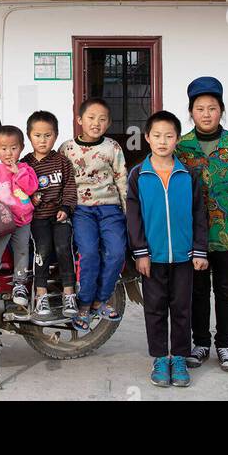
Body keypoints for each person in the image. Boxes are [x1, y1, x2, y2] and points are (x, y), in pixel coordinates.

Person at [176, 75, 228, 374]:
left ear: (221, 110)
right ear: (191, 112)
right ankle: (200, 343)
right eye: (200, 109)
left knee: (226, 291)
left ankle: (225, 345)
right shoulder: (181, 147)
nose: (206, 114)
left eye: (212, 108)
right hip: (194, 235)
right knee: (197, 292)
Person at [126, 111, 208, 389]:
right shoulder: (138, 174)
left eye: (169, 136)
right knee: (155, 309)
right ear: (147, 138)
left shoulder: (188, 175)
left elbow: (199, 214)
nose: (163, 141)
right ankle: (161, 358)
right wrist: (140, 252)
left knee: (182, 308)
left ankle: (180, 358)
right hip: (152, 257)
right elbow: (133, 217)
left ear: (177, 139)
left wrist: (199, 250)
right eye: (157, 136)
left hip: (184, 257)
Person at [62, 98, 128, 330]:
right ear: (79, 120)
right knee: (89, 253)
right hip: (81, 210)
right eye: (91, 118)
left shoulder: (113, 147)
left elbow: (121, 179)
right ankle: (84, 303)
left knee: (117, 252)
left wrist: (128, 212)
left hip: (110, 209)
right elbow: (62, 182)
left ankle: (101, 299)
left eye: (102, 119)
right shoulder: (67, 148)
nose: (96, 123)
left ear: (108, 123)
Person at [21, 110, 79, 322]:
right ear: (29, 136)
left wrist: (66, 207)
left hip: (59, 215)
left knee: (64, 248)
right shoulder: (25, 164)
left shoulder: (62, 162)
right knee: (42, 250)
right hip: (38, 218)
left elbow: (70, 187)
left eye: (48, 135)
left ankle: (69, 294)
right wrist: (30, 199)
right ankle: (41, 295)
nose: (42, 140)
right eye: (37, 135)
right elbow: (18, 191)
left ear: (56, 135)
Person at [0, 126, 39, 308]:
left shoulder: (25, 169)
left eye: (13, 148)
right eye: (3, 148)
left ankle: (20, 283)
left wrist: (17, 172)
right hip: (1, 218)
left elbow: (31, 188)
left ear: (22, 148)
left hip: (22, 219)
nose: (9, 153)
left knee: (22, 250)